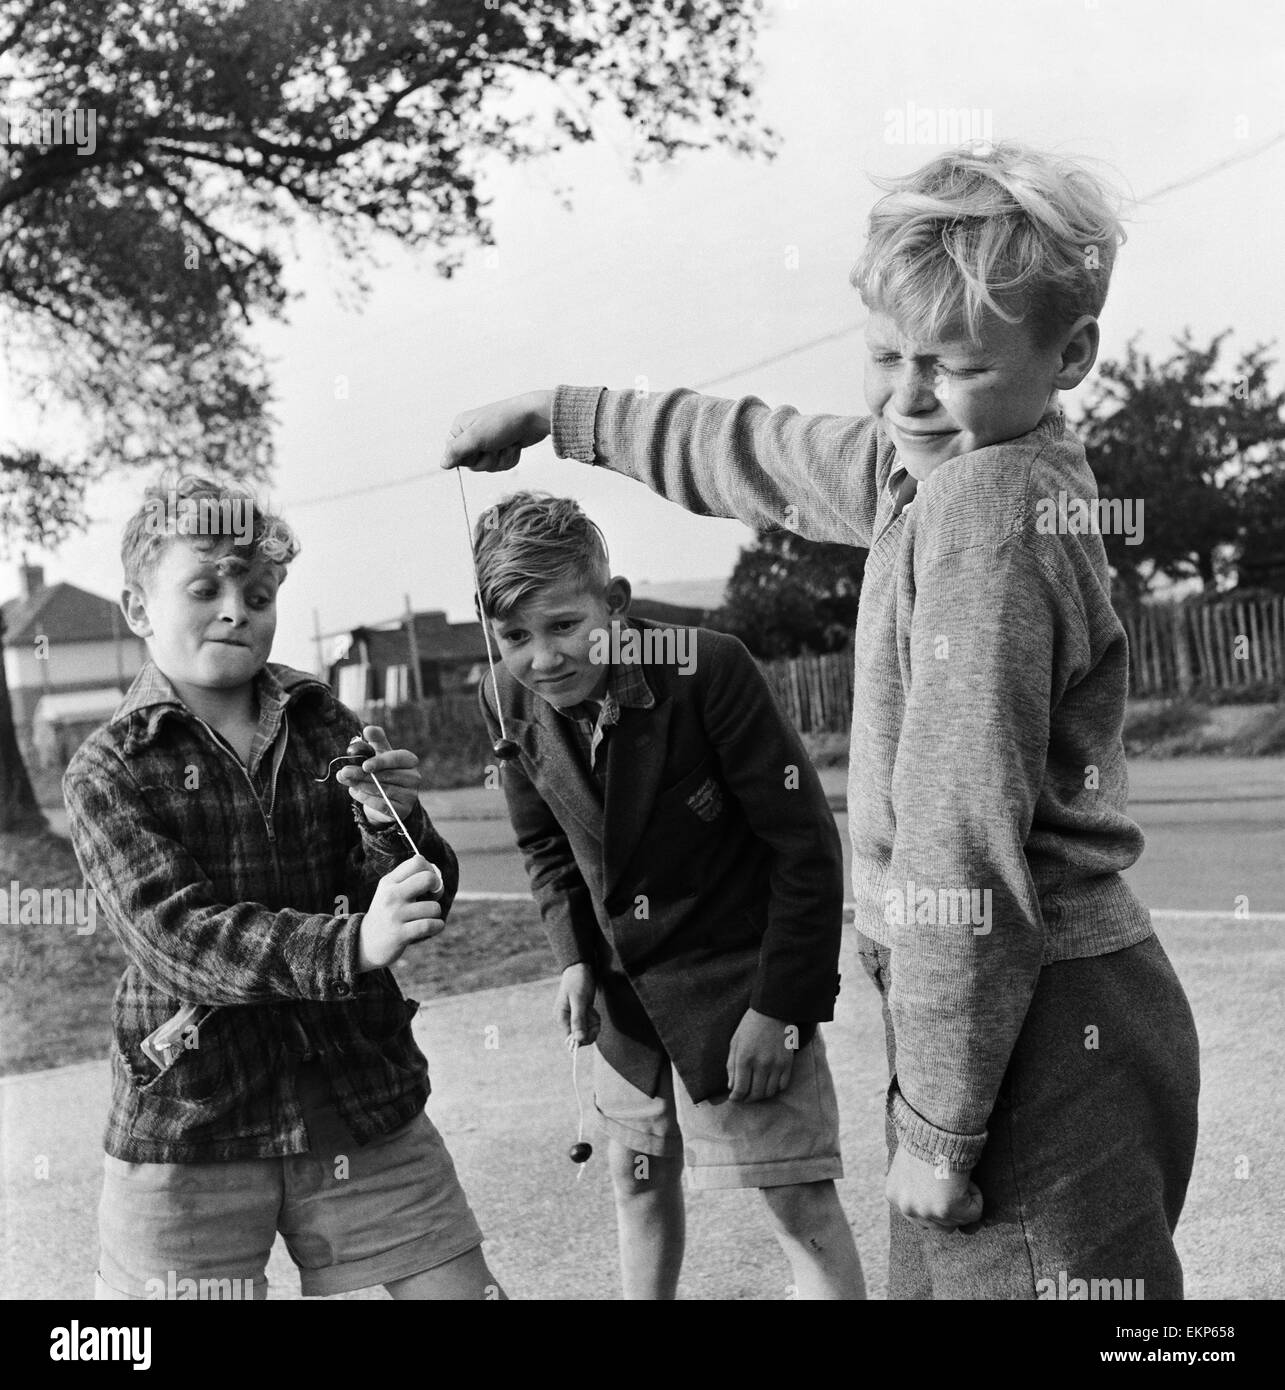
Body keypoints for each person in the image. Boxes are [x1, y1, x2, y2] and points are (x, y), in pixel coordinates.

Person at [443, 141, 1201, 1300]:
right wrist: (560, 414)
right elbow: (755, 450)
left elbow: (961, 846)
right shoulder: (936, 465)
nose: (904, 395)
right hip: (1004, 1011)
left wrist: (941, 1129)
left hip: (1041, 1023)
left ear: (1071, 354)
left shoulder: (990, 512)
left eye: (947, 364)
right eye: (885, 354)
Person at [64, 473, 505, 1300]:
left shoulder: (325, 720)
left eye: (258, 592)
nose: (237, 608)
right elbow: (179, 941)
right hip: (193, 1118)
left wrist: (388, 826)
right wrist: (352, 943)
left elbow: (423, 890)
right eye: (206, 587)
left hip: (355, 1089)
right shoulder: (106, 768)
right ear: (137, 610)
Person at [471, 490, 864, 1299]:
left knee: (794, 1201)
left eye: (563, 626)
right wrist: (573, 956)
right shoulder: (503, 695)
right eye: (513, 637)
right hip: (623, 1008)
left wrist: (778, 1009)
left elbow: (804, 847)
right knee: (637, 1180)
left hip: (738, 996)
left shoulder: (709, 667)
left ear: (613, 604)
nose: (541, 659)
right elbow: (544, 844)